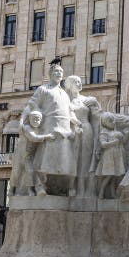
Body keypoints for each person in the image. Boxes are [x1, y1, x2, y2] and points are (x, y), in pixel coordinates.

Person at [23, 63, 81, 197]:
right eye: (56, 71)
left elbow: (70, 111)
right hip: (49, 128)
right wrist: (37, 116)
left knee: (65, 161)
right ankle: (39, 186)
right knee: (44, 159)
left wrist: (76, 123)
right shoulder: (43, 89)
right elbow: (33, 103)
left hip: (65, 130)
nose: (59, 74)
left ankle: (64, 187)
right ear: (50, 74)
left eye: (61, 72)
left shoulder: (65, 94)